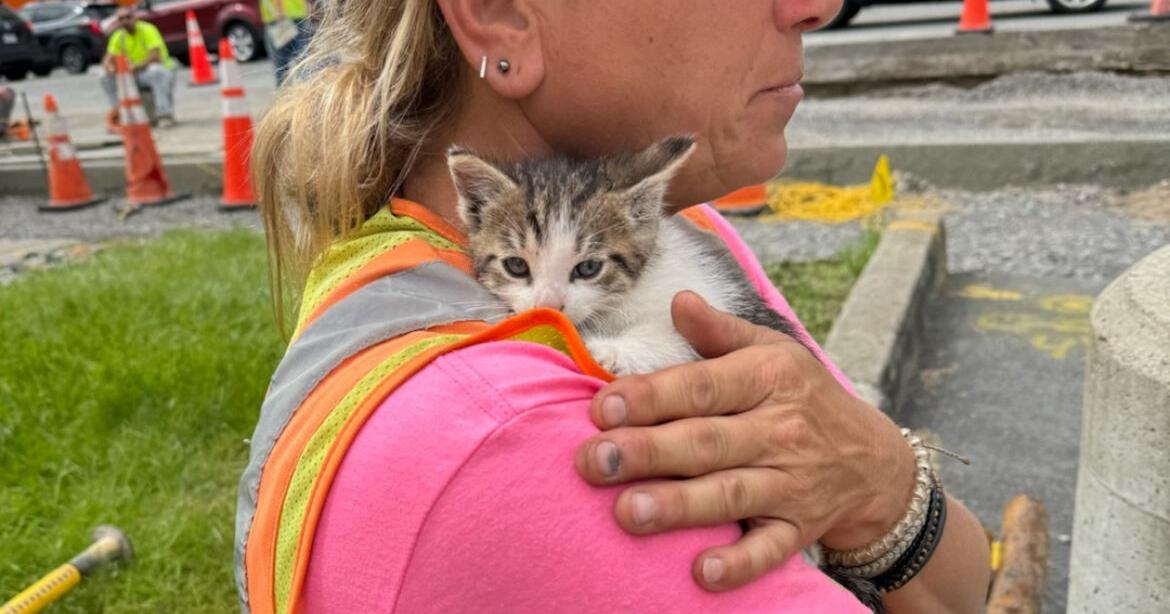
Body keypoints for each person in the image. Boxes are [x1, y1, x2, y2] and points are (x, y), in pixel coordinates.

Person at [237, 1, 992, 613]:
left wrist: (882, 481)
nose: (815, 7)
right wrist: (887, 491)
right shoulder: (508, 434)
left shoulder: (677, 230)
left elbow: (962, 582)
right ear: (501, 16)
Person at [99, 7, 176, 130]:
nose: (125, 21)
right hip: (132, 74)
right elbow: (108, 59)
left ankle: (164, 115)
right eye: (121, 19)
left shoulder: (147, 30)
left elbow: (155, 55)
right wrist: (110, 68)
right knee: (104, 77)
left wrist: (135, 67)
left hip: (150, 71)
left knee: (156, 72)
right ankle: (119, 114)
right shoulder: (118, 36)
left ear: (135, 18)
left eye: (128, 17)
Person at [260, 0, 313, 85]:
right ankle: (306, 92)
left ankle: (285, 95)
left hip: (280, 18)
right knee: (302, 59)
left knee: (281, 65)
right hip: (298, 13)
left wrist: (279, 11)